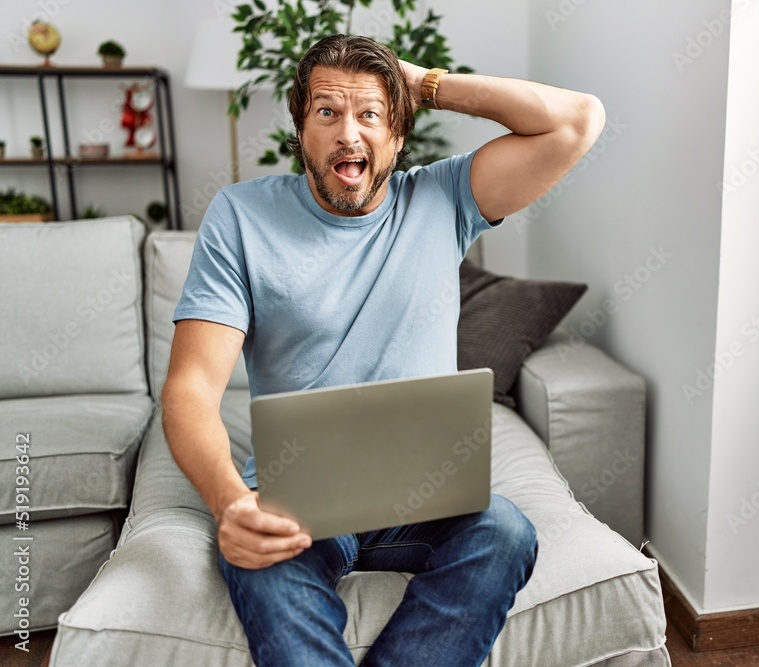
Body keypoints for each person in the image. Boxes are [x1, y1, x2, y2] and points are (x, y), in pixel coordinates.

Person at [162, 34, 605, 666]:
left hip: (426, 498)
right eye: (327, 112)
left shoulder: (445, 199)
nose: (349, 133)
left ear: (398, 134)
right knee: (260, 561)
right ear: (300, 130)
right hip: (299, 503)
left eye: (370, 114)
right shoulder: (240, 216)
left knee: (505, 531)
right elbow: (190, 389)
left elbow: (578, 120)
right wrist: (231, 503)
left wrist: (425, 83)